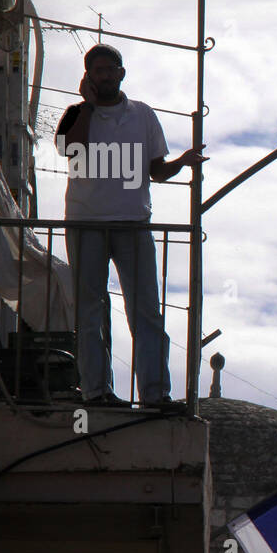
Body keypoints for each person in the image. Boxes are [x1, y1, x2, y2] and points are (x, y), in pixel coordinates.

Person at [54, 44, 207, 407]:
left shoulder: (143, 114)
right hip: (86, 222)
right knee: (91, 310)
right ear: (88, 77)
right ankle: (96, 391)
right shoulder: (76, 114)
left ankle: (155, 394)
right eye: (98, 71)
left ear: (122, 72)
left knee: (146, 311)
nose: (106, 75)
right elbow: (69, 150)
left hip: (133, 223)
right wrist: (88, 106)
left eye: (111, 69)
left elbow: (156, 170)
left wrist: (182, 163)